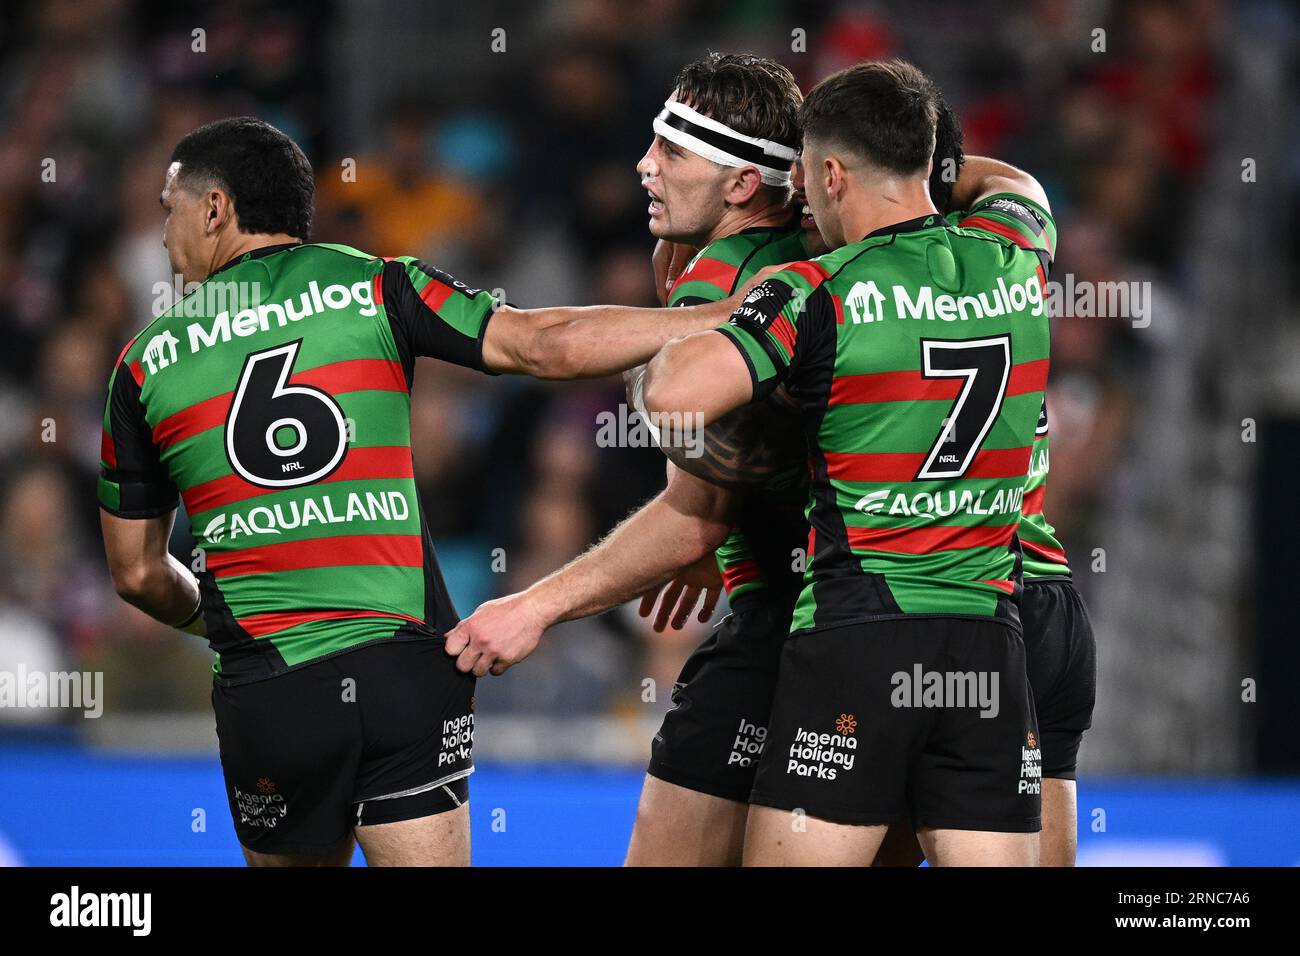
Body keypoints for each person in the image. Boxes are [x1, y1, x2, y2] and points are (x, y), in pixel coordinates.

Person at [97, 116, 737, 868]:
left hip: (271, 689)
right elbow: (544, 343)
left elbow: (137, 573)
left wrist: (224, 618)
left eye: (170, 206)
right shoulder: (377, 282)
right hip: (405, 673)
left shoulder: (142, 366)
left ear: (215, 209)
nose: (165, 232)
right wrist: (725, 315)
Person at [640, 60, 1054, 867]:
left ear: (827, 173)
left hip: (856, 633)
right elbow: (1014, 182)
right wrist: (906, 154)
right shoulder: (1018, 250)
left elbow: (675, 396)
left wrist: (697, 311)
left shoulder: (820, 288)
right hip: (989, 642)